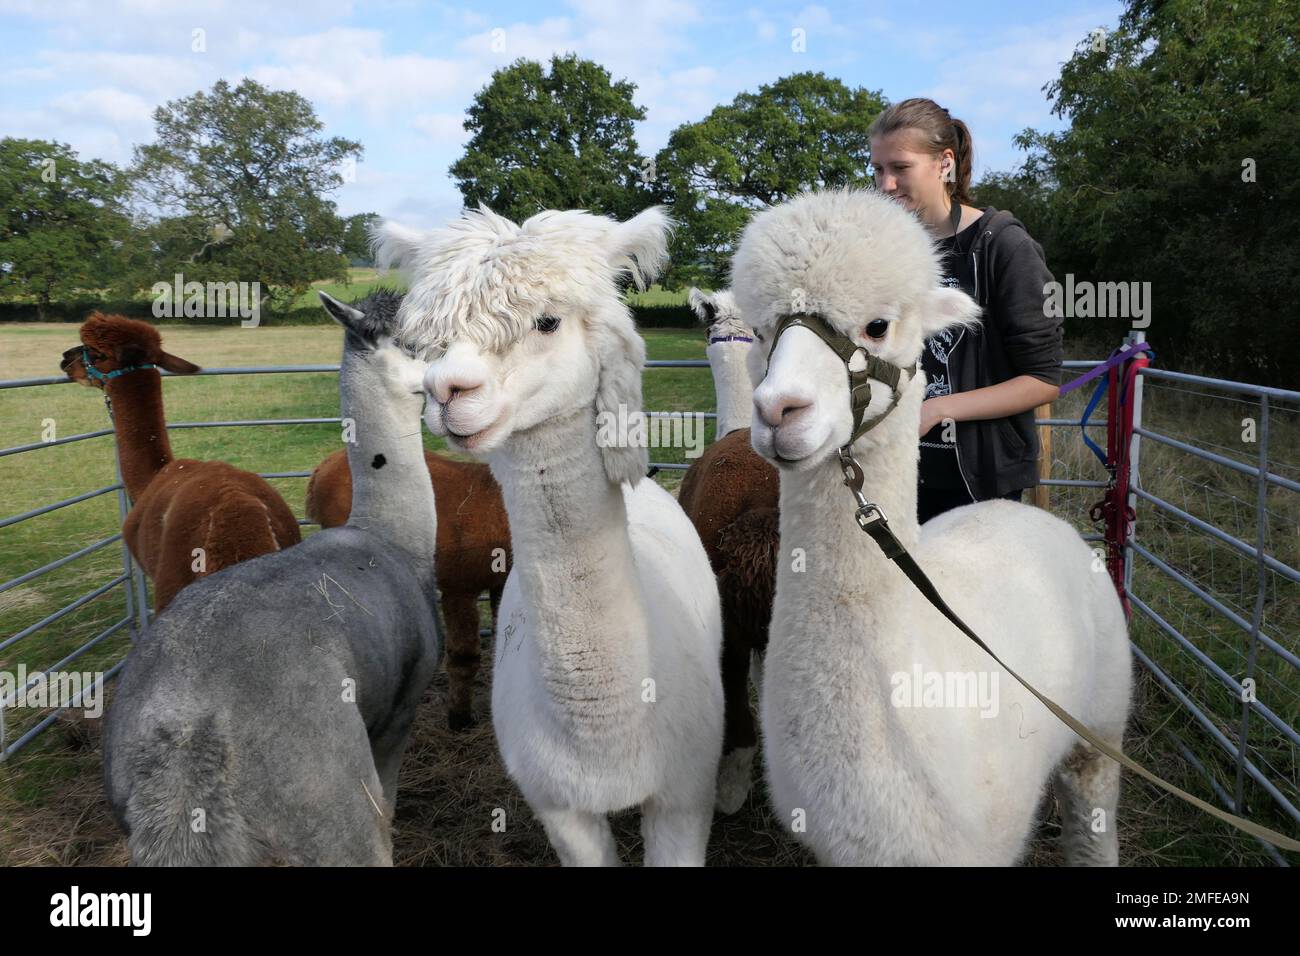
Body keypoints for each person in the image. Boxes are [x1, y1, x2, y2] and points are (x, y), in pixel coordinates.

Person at [868, 97, 1063, 524]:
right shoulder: (883, 251)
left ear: (945, 164)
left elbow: (1043, 381)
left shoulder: (1004, 247)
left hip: (979, 484)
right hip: (891, 473)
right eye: (878, 169)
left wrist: (937, 408)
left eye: (900, 168)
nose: (885, 185)